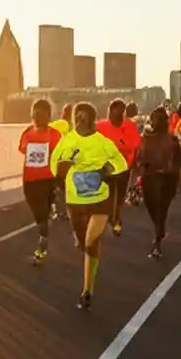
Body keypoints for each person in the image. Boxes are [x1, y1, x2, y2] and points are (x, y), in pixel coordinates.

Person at [50, 102, 128, 309]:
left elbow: (121, 163)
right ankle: (80, 241)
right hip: (75, 200)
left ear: (92, 120)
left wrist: (107, 171)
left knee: (91, 241)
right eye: (77, 117)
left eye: (83, 117)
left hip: (100, 198)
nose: (79, 121)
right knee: (83, 243)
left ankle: (87, 290)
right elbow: (54, 162)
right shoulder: (68, 141)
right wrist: (60, 170)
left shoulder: (103, 142)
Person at [18, 99, 63, 265]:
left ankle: (42, 242)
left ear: (48, 116)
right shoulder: (27, 132)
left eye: (41, 114)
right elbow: (22, 148)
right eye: (34, 114)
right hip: (29, 179)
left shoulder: (54, 134)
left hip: (47, 179)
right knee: (37, 210)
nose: (36, 117)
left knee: (41, 216)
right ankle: (47, 214)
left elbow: (60, 154)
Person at [134, 106, 179, 258]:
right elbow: (179, 159)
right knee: (161, 209)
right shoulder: (169, 139)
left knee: (156, 209)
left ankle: (158, 238)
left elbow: (139, 158)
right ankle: (159, 234)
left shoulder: (146, 138)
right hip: (165, 176)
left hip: (154, 176)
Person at [96, 99, 141, 236]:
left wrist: (116, 143)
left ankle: (117, 219)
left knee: (120, 195)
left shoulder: (130, 126)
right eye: (113, 113)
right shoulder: (100, 126)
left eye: (119, 113)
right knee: (108, 194)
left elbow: (133, 143)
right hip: (106, 167)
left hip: (124, 167)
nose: (115, 117)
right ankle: (111, 217)